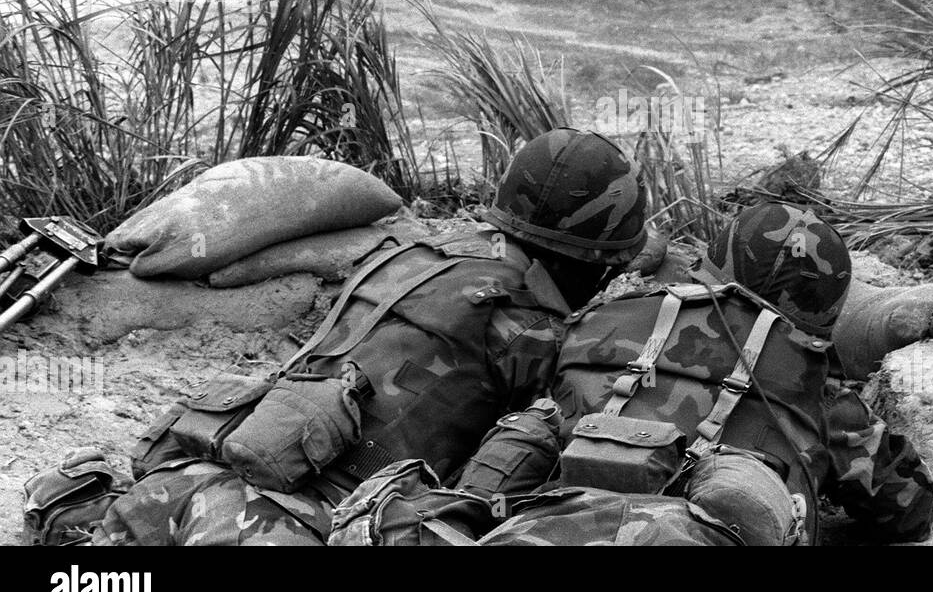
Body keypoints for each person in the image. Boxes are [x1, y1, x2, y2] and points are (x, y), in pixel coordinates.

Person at [89, 128, 648, 545]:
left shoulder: (414, 254)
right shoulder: (536, 327)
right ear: (595, 260)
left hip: (179, 483)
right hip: (288, 523)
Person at [331, 202, 933, 545]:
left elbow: (525, 430)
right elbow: (906, 509)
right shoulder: (817, 390)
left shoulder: (601, 321)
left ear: (711, 263)